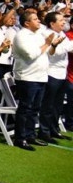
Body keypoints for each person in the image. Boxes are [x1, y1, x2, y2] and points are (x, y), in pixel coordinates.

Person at [11, 10, 57, 150]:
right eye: (35, 19)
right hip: (27, 77)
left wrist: (52, 45)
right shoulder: (21, 36)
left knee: (35, 109)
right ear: (27, 23)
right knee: (25, 108)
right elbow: (31, 55)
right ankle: (20, 138)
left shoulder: (38, 34)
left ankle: (30, 135)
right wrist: (47, 43)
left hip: (40, 76)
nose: (39, 21)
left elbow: (48, 53)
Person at [38, 11, 73, 142]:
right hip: (51, 73)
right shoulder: (48, 34)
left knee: (57, 105)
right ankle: (44, 131)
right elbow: (55, 52)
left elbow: (68, 47)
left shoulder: (61, 34)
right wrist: (66, 45)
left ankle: (54, 129)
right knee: (48, 105)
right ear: (52, 24)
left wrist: (67, 45)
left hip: (62, 73)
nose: (64, 22)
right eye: (61, 20)